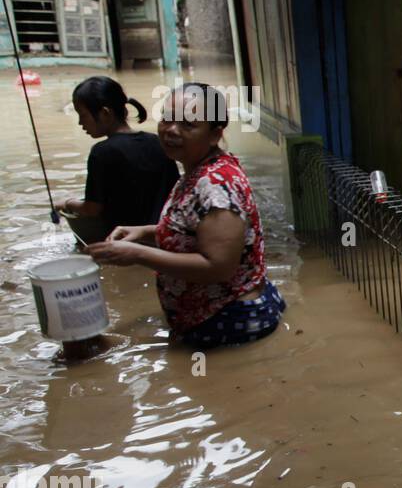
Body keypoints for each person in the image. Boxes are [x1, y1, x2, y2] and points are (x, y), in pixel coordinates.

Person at [86, 83, 285, 348]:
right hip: (217, 312)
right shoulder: (199, 168)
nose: (171, 130)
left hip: (227, 320)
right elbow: (195, 232)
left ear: (215, 134)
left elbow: (219, 267)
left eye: (188, 125)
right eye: (167, 118)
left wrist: (138, 255)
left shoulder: (216, 186)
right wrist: (145, 232)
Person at [59, 76, 179, 244]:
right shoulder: (157, 141)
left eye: (83, 115)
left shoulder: (101, 152)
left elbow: (92, 209)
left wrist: (67, 203)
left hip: (127, 241)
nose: (80, 122)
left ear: (105, 113)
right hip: (162, 235)